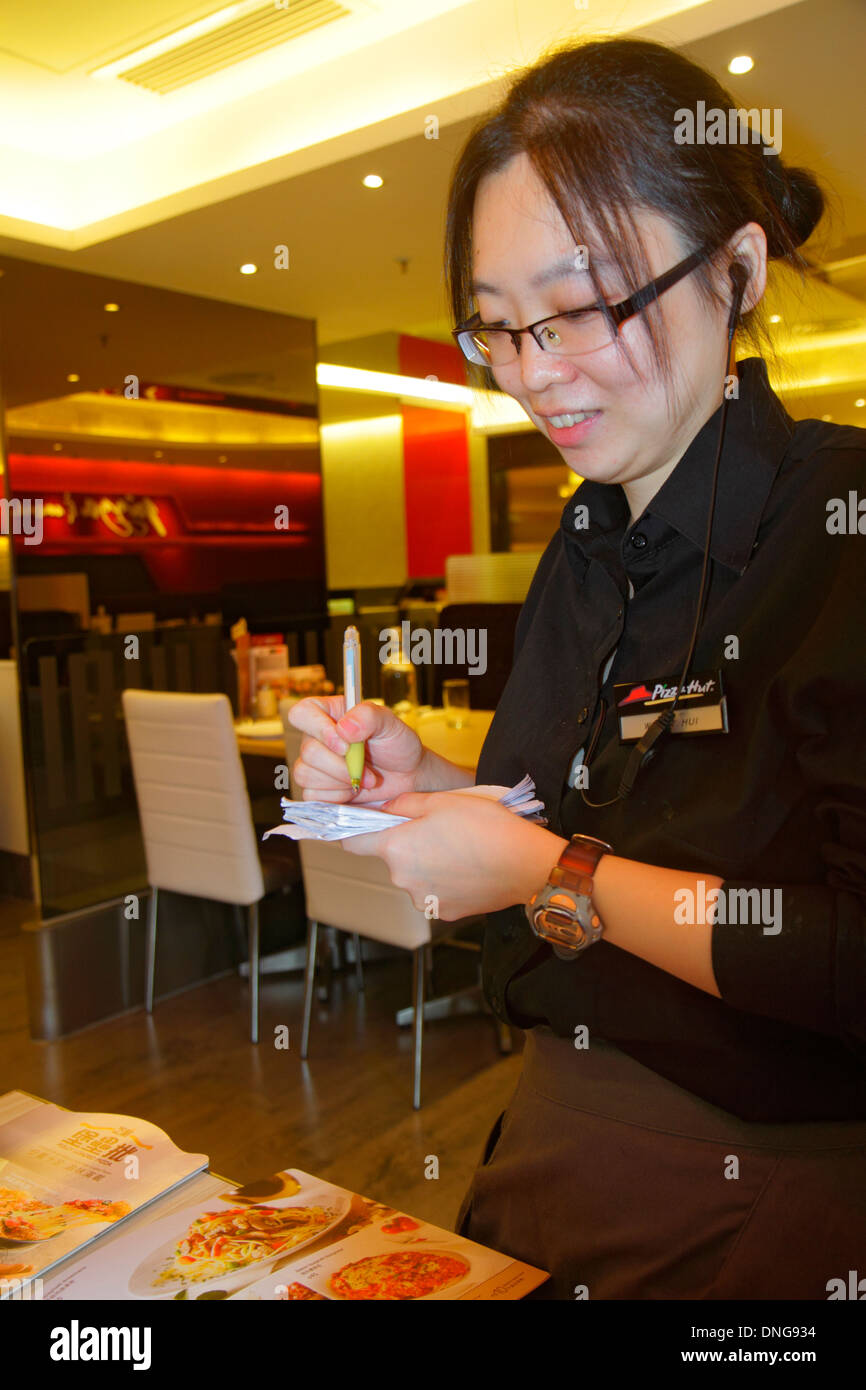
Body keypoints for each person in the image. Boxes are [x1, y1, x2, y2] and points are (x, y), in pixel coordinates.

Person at [289, 37, 866, 1300]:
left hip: (763, 1192)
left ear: (737, 266)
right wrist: (432, 784)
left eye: (584, 305)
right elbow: (581, 814)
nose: (537, 373)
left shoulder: (840, 523)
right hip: (546, 1136)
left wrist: (552, 876)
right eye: (498, 329)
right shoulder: (588, 536)